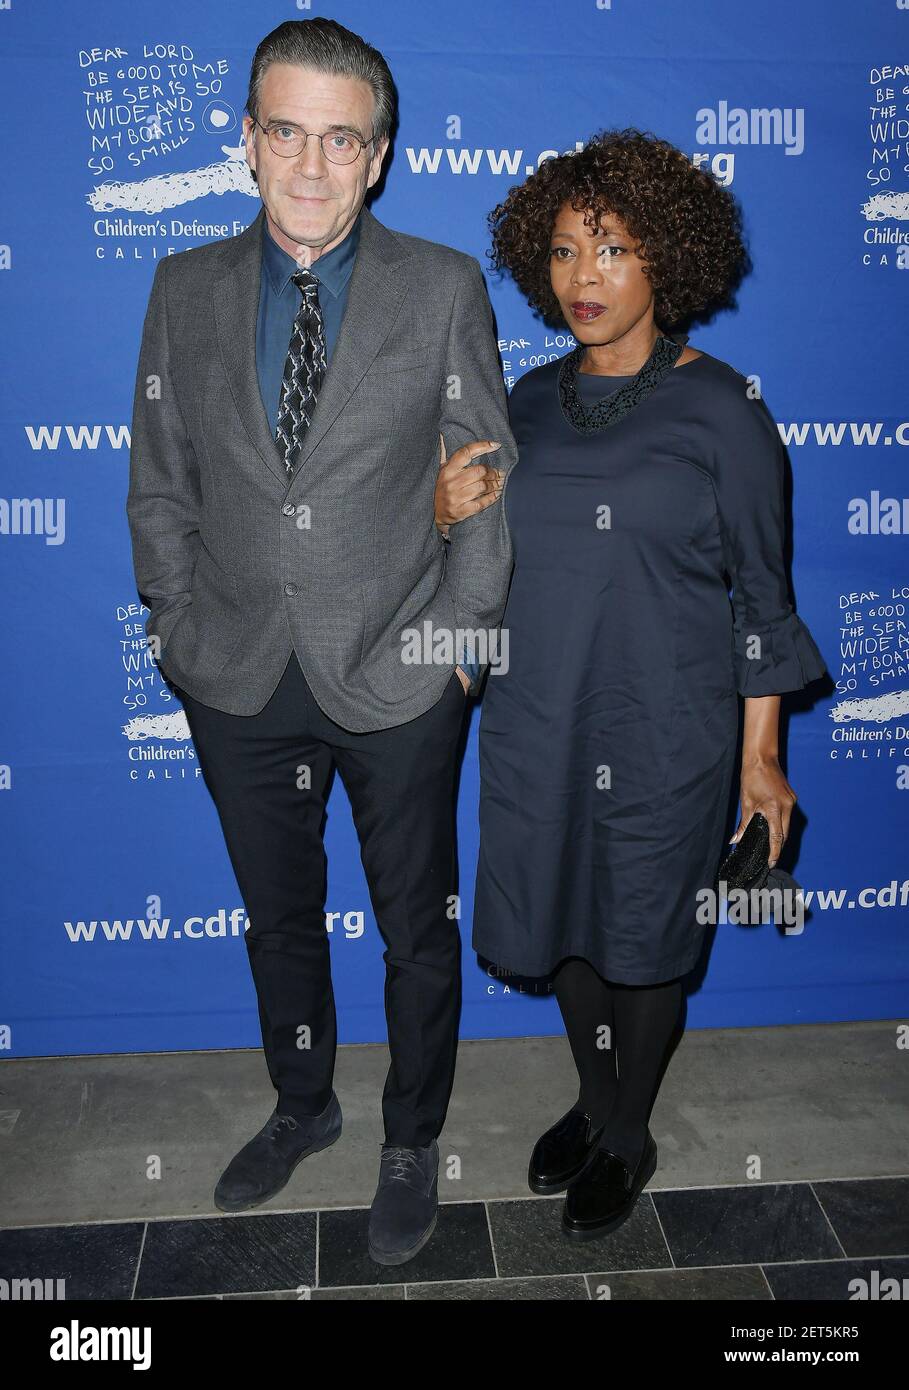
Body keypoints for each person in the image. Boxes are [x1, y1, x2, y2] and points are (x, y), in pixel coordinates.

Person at [126, 17, 515, 1266]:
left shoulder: (443, 285)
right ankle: (305, 1103)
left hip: (402, 671)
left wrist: (462, 646)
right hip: (236, 673)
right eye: (285, 131)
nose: (310, 163)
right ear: (246, 140)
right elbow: (160, 478)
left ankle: (411, 1136)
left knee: (416, 927)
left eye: (341, 139)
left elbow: (486, 476)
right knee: (278, 918)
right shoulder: (183, 287)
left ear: (380, 156)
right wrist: (175, 623)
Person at [435, 128, 827, 1240]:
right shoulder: (529, 400)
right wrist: (445, 515)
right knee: (564, 919)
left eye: (611, 251)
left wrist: (762, 759)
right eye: (563, 253)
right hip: (540, 716)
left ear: (667, 259)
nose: (584, 279)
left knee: (645, 930)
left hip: (667, 724)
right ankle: (595, 1097)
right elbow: (482, 554)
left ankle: (629, 1130)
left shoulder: (726, 411)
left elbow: (762, 597)